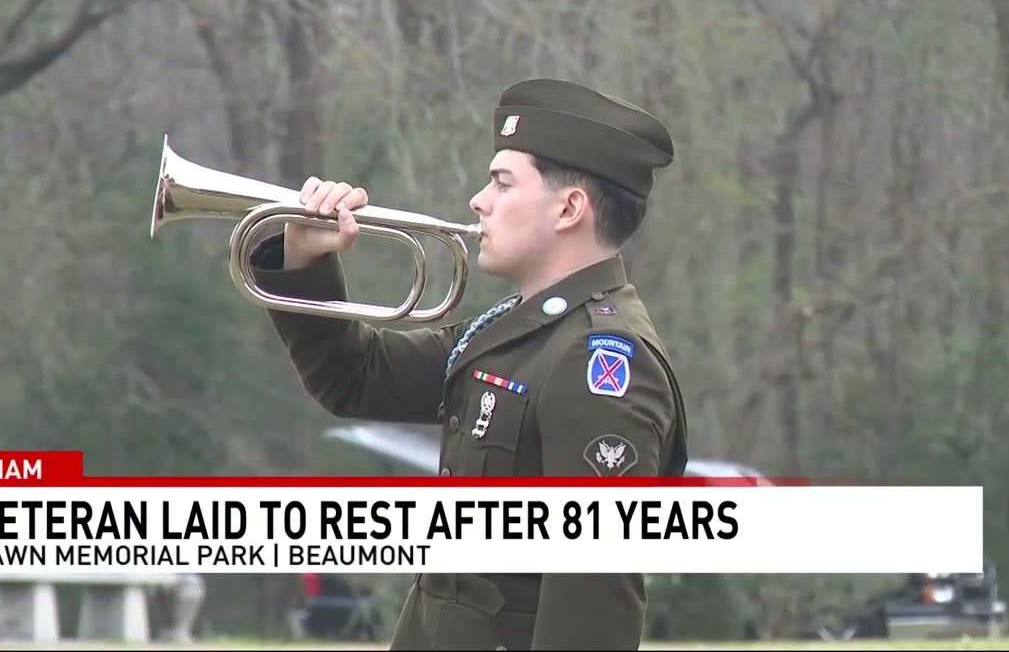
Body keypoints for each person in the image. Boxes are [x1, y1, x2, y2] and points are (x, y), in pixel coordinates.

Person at [246, 78, 688, 650]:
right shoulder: (516, 332)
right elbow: (355, 379)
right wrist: (303, 260)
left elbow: (592, 597)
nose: (479, 201)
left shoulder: (596, 360)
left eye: (502, 183)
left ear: (569, 208)